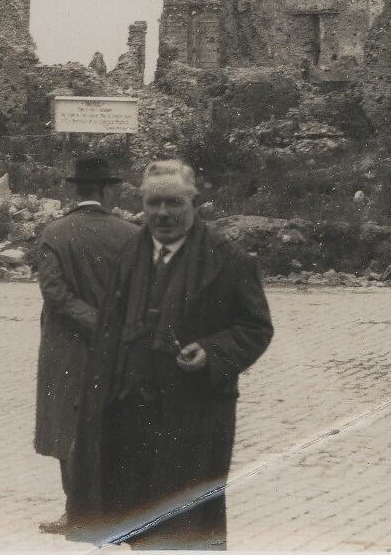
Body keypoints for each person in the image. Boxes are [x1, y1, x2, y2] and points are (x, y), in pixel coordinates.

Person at [67, 160, 274, 549]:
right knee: (130, 516)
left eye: (174, 203)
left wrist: (213, 351)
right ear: (142, 205)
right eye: (153, 203)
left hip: (190, 414)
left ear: (194, 202)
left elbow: (256, 328)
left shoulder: (228, 258)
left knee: (184, 526)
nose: (162, 214)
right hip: (127, 411)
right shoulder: (128, 251)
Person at [34, 154, 138, 534]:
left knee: (66, 427)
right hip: (117, 347)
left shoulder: (54, 233)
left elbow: (54, 293)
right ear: (106, 190)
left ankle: (74, 510)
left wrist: (93, 321)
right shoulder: (130, 234)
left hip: (66, 347)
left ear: (75, 190)